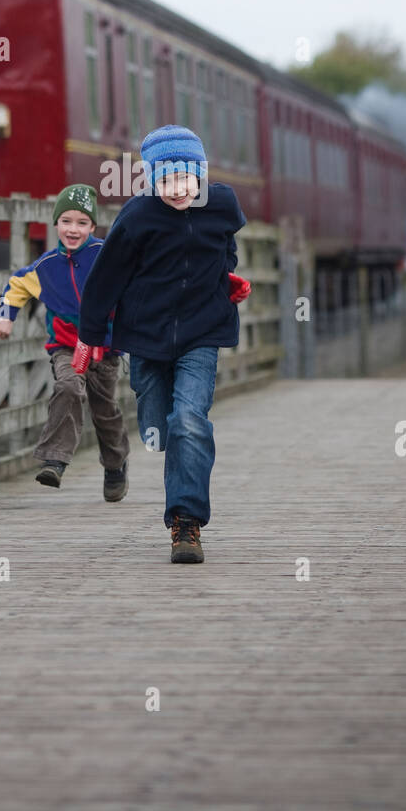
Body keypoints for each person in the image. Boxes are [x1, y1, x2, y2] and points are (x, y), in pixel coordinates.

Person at [74, 126, 251, 563]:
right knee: (159, 429)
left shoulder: (223, 204)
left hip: (202, 331)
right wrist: (89, 336)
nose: (176, 189)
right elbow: (106, 278)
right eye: (165, 180)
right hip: (147, 335)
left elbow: (225, 247)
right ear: (152, 180)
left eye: (185, 179)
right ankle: (179, 461)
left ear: (200, 175)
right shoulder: (138, 217)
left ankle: (185, 524)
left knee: (189, 420)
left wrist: (225, 277)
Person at [0, 183, 130, 499]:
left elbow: (134, 280)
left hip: (104, 347)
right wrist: (5, 316)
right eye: (66, 221)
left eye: (82, 223)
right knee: (68, 386)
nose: (73, 229)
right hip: (66, 346)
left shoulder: (105, 255)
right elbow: (15, 286)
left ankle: (115, 464)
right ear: (56, 224)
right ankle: (55, 459)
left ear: (93, 227)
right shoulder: (45, 267)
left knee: (105, 411)